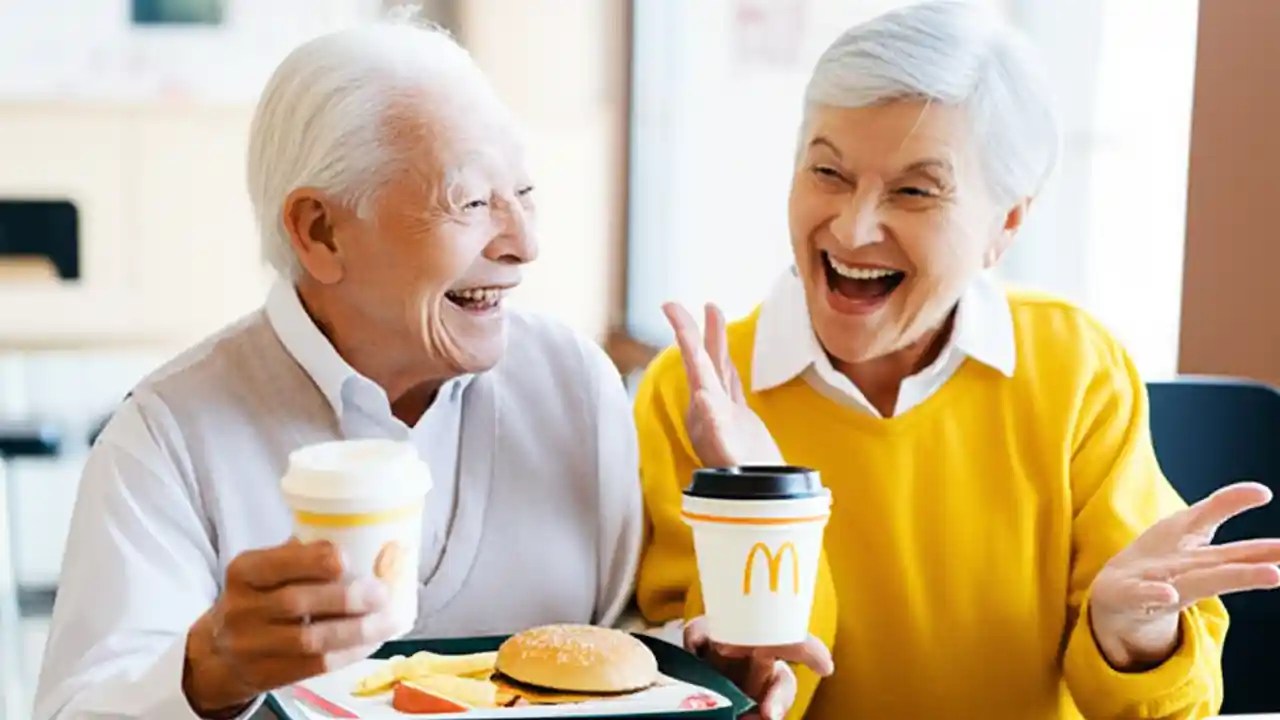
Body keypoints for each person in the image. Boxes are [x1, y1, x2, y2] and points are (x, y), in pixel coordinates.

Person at [633, 2, 1280, 719]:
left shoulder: (1075, 368)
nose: (854, 227)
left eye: (914, 190)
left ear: (1006, 224)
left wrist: (1132, 634)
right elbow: (733, 700)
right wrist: (763, 500)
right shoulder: (694, 393)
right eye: (828, 172)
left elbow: (1166, 707)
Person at [34, 18, 641, 720]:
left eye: (524, 194)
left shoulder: (575, 388)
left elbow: (640, 655)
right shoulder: (169, 435)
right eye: (473, 202)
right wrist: (208, 672)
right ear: (320, 231)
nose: (523, 243)